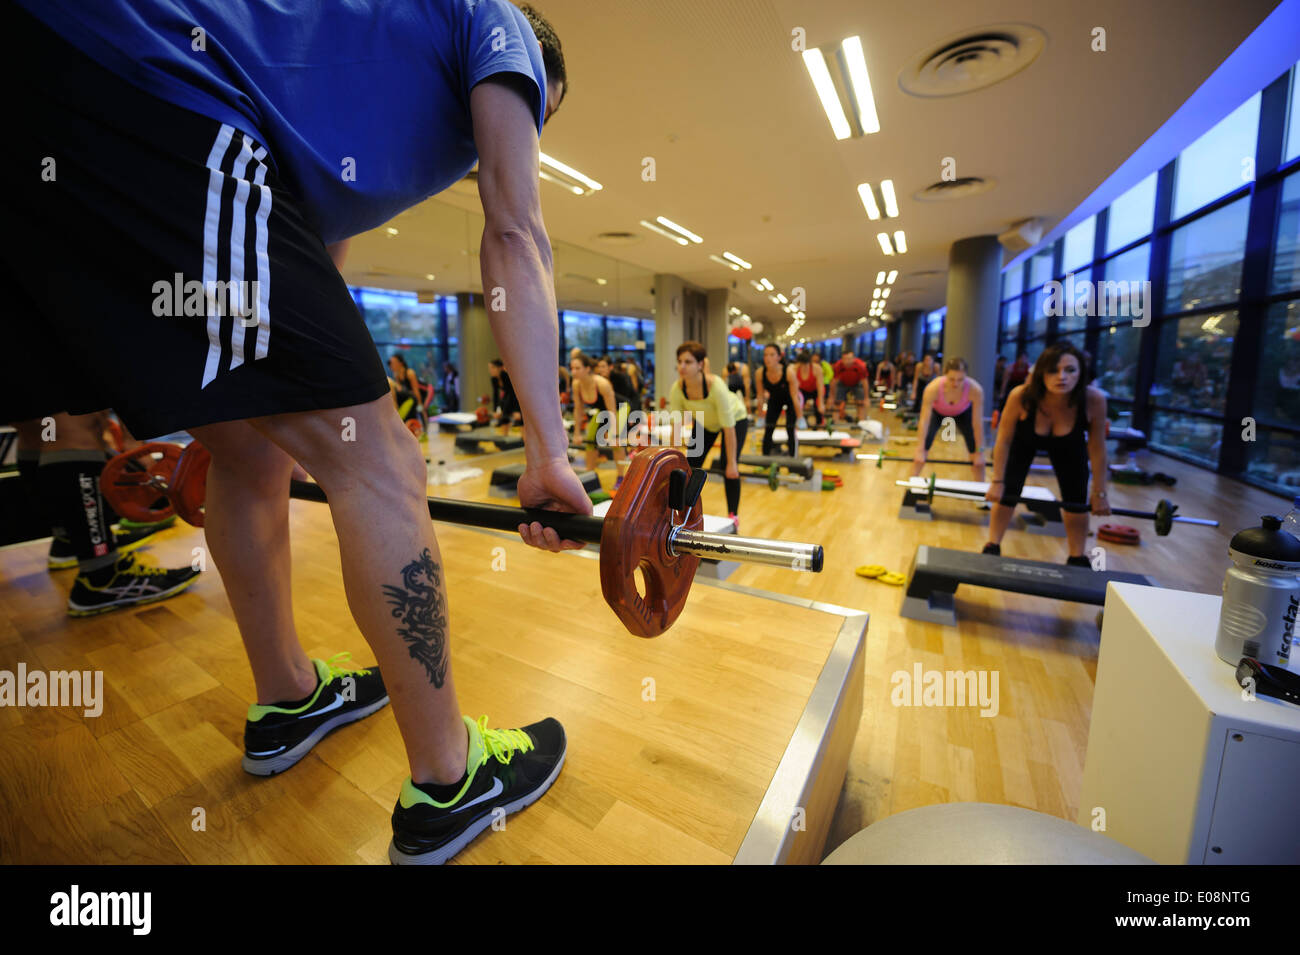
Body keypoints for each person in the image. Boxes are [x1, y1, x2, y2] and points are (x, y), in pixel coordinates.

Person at [3, 0, 583, 865]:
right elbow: (514, 230)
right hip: (157, 97)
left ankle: (288, 698)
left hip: (46, 94)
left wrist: (236, 412)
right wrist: (549, 450)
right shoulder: (496, 24)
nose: (522, 126)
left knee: (248, 448)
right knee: (381, 459)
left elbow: (314, 251)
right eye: (538, 108)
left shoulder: (349, 74)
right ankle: (448, 780)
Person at [984, 342, 1110, 565]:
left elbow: (1098, 449)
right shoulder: (1020, 396)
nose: (1061, 377)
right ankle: (993, 545)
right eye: (1053, 370)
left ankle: (1077, 556)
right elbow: (1003, 441)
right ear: (1041, 372)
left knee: (1077, 500)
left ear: (1081, 373)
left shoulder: (1094, 400)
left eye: (1070, 370)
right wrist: (997, 481)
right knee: (1008, 492)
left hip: (1070, 445)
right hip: (1024, 441)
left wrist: (1100, 493)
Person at [669, 342, 748, 527]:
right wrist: (673, 461)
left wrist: (732, 464)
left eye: (688, 362)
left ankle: (733, 516)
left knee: (729, 467)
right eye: (679, 361)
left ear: (700, 365)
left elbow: (728, 428)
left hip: (735, 420)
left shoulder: (716, 386)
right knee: (688, 468)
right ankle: (684, 513)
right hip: (705, 423)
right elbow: (676, 426)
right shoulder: (678, 389)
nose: (682, 366)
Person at [910, 358, 986, 482]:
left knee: (978, 458)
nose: (956, 384)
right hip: (938, 412)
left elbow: (978, 424)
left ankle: (982, 495)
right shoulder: (932, 388)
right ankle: (911, 484)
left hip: (962, 413)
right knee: (922, 450)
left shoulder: (975, 390)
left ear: (966, 376)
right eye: (952, 379)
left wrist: (980, 452)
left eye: (960, 379)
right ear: (945, 375)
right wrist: (919, 449)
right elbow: (924, 421)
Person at [571, 353, 629, 489]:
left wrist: (613, 432)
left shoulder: (602, 384)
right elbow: (578, 410)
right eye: (572, 368)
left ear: (587, 369)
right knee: (590, 440)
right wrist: (577, 433)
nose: (573, 372)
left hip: (619, 408)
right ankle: (590, 476)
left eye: (577, 368)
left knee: (616, 442)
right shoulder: (576, 385)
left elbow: (612, 410)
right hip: (602, 411)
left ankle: (621, 477)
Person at [754, 343, 802, 458]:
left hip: (791, 400)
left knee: (790, 429)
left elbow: (795, 397)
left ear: (779, 357)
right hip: (775, 400)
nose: (767, 358)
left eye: (772, 355)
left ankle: (792, 458)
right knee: (768, 429)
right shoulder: (760, 373)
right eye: (765, 355)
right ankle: (765, 459)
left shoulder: (789, 372)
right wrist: (760, 415)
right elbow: (760, 396)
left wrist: (800, 417)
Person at [389, 353, 427, 428]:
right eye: (390, 363)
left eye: (393, 363)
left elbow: (416, 390)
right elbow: (400, 389)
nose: (391, 365)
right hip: (409, 396)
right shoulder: (396, 375)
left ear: (400, 363)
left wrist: (420, 404)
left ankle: (424, 427)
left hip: (419, 395)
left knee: (420, 410)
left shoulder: (410, 373)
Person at [489, 358, 522, 435]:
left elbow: (513, 393)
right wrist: (496, 410)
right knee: (504, 415)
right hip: (508, 397)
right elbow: (495, 395)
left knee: (518, 419)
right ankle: (505, 436)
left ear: (500, 368)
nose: (490, 370)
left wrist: (516, 410)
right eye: (490, 368)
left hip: (517, 397)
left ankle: (524, 439)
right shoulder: (494, 379)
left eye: (493, 368)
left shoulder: (506, 376)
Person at [832, 350, 868, 422]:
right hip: (843, 383)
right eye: (845, 359)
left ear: (854, 359)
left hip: (856, 383)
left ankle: (861, 422)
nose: (847, 361)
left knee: (861, 403)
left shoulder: (860, 365)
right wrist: (831, 396)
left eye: (849, 359)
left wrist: (866, 398)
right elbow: (834, 382)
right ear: (842, 359)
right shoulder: (838, 366)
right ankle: (835, 422)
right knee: (837, 402)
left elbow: (865, 382)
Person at [793, 350, 825, 429]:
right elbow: (794, 388)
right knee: (797, 404)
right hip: (803, 391)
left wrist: (821, 403)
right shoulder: (795, 369)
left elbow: (820, 387)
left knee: (818, 407)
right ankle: (800, 421)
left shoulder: (816, 368)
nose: (804, 366)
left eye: (806, 364)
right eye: (802, 364)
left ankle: (820, 423)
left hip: (815, 390)